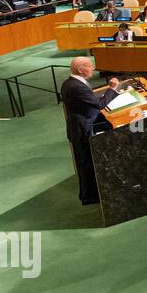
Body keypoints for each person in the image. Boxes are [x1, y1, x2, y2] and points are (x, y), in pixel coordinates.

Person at [60, 56, 119, 206]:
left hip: (80, 127)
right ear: (80, 70)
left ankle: (89, 194)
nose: (93, 68)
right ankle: (88, 196)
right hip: (82, 129)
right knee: (86, 164)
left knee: (86, 163)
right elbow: (98, 104)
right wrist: (111, 89)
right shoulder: (76, 86)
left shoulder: (70, 82)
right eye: (89, 65)